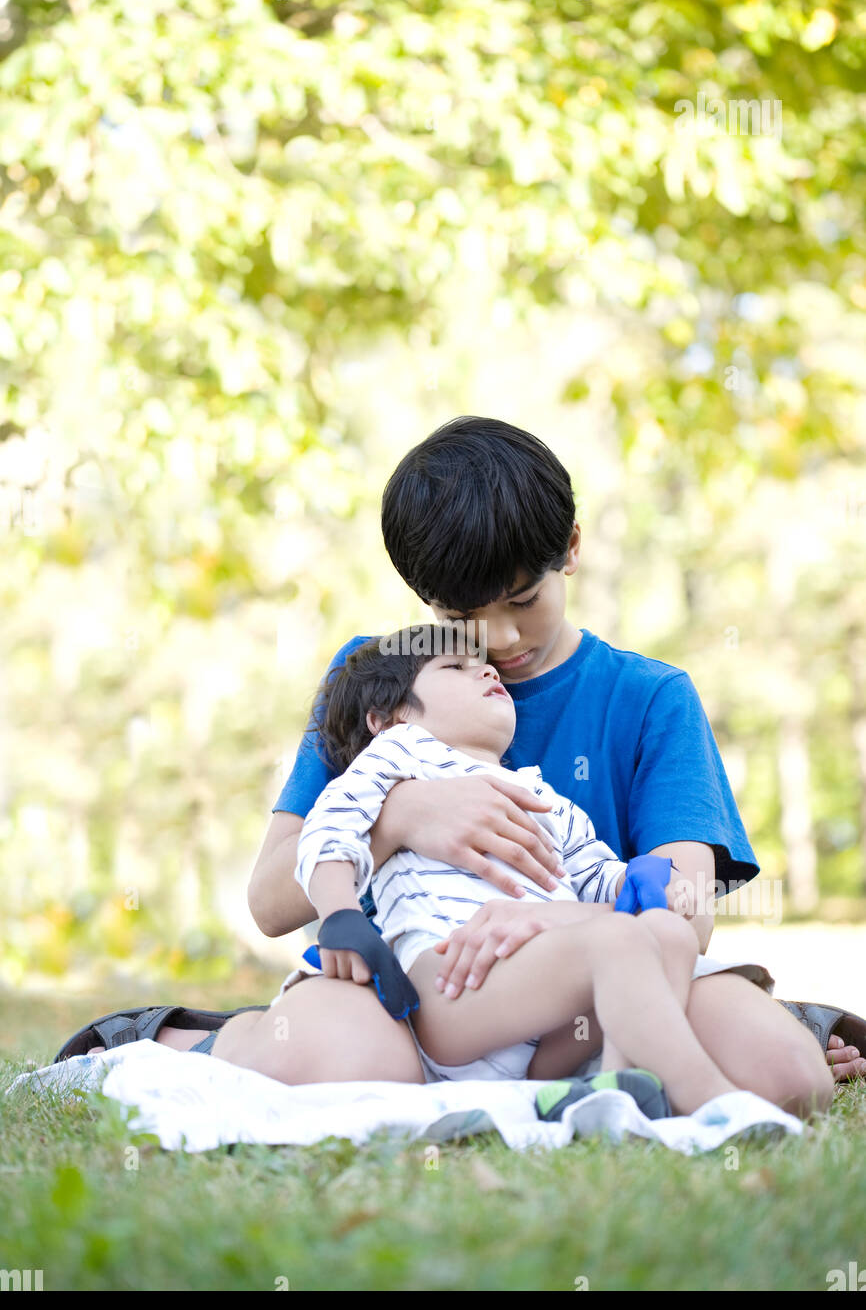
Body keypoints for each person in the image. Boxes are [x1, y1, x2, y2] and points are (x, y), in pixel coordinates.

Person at [55, 417, 862, 1092]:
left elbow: (688, 912)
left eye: (522, 602)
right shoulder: (382, 678)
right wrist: (404, 816)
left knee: (785, 1077)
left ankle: (735, 1042)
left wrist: (563, 923)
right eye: (460, 614)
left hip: (589, 980)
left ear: (571, 548)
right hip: (397, 999)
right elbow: (271, 900)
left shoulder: (649, 697)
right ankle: (185, 1043)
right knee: (363, 1066)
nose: (500, 641)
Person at [283, 629, 819, 1121]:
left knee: (671, 936)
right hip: (453, 985)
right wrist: (341, 916)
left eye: (484, 666)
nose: (488, 671)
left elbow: (601, 878)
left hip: (551, 1025)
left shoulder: (544, 798)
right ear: (388, 717)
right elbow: (328, 833)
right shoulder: (398, 757)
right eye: (457, 668)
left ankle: (609, 1087)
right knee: (617, 940)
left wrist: (645, 884)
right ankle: (711, 1103)